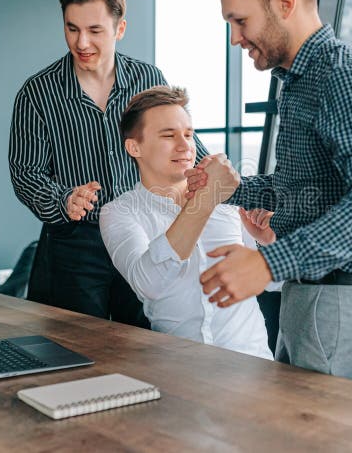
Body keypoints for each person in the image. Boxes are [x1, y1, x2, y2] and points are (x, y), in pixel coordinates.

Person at [186, 0, 352, 385]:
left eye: (240, 20)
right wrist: (235, 189)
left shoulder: (342, 75)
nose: (235, 38)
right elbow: (309, 189)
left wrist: (267, 264)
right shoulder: (301, 81)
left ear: (284, 1)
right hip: (312, 294)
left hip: (343, 302)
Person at [9, 0, 208, 327]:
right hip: (74, 244)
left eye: (94, 30)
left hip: (144, 234)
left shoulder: (148, 79)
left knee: (145, 344)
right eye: (72, 29)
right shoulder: (37, 94)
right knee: (72, 349)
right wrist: (62, 200)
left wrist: (227, 185)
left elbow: (186, 145)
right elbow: (26, 174)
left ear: (120, 29)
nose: (81, 42)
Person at [99, 86, 273, 359]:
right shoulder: (120, 213)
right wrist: (204, 202)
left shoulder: (229, 201)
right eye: (169, 136)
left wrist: (268, 243)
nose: (185, 146)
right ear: (135, 147)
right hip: (178, 370)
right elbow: (149, 283)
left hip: (253, 364)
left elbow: (272, 283)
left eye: (189, 135)